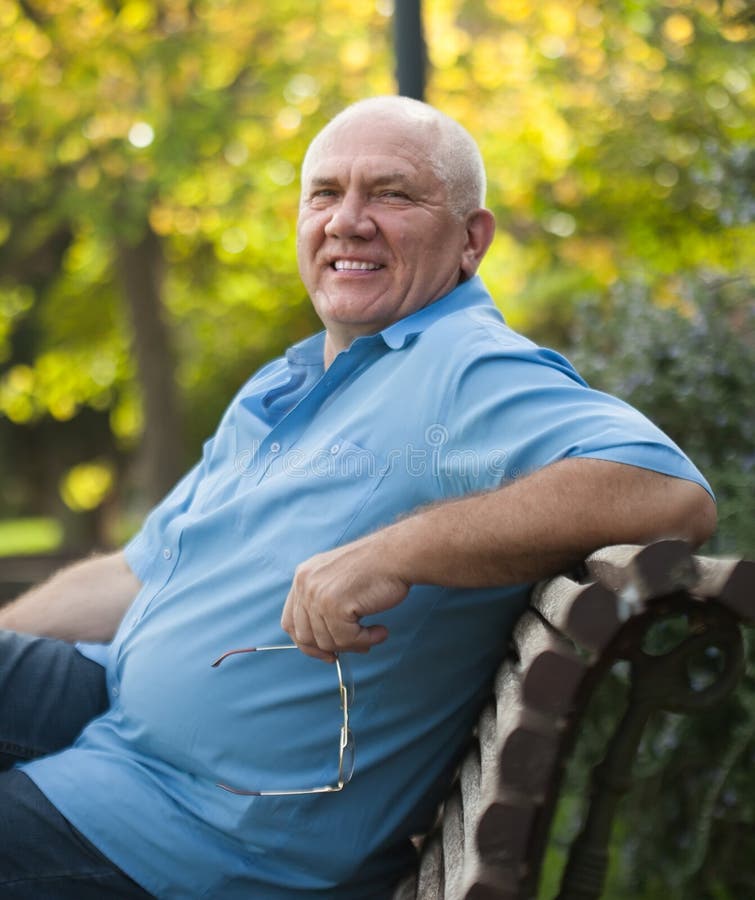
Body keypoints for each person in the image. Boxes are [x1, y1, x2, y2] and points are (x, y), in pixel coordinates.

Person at [0, 96, 715, 899]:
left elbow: (668, 491)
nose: (346, 221)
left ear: (471, 240)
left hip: (190, 830)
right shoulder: (291, 378)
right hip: (114, 709)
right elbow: (137, 574)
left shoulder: (465, 367)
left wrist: (396, 550)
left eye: (391, 194)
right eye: (324, 194)